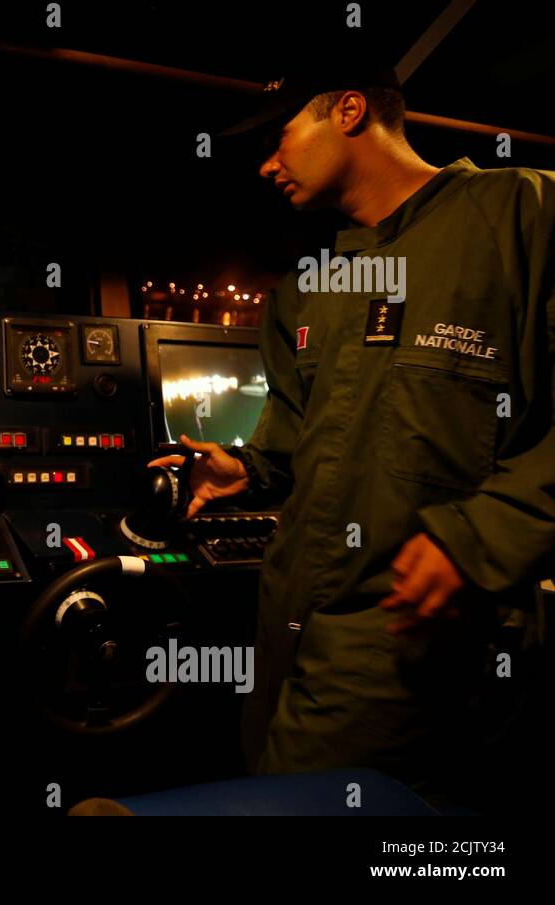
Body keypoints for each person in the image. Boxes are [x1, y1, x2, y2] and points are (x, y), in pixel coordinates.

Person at [150, 59, 555, 800]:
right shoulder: (311, 289)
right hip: (289, 628)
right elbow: (300, 430)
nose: (268, 164)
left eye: (279, 135)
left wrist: (483, 536)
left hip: (413, 648)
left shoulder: (521, 215)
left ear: (347, 111)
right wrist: (249, 468)